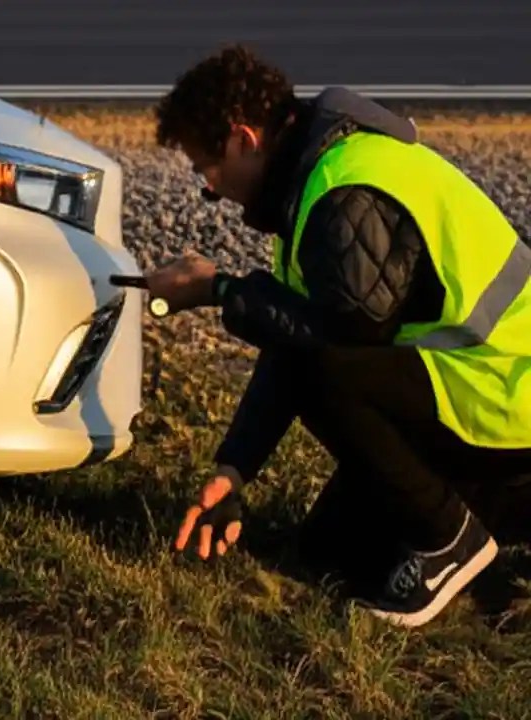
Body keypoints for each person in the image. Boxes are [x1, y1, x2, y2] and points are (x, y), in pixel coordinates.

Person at [142, 43, 531, 628]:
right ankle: (505, 508)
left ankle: (448, 538)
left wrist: (219, 290)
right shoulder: (319, 179)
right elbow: (292, 342)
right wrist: (234, 468)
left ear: (244, 139)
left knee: (325, 363)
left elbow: (337, 340)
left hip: (503, 398)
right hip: (474, 392)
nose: (211, 192)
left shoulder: (342, 193)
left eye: (207, 170)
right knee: (329, 555)